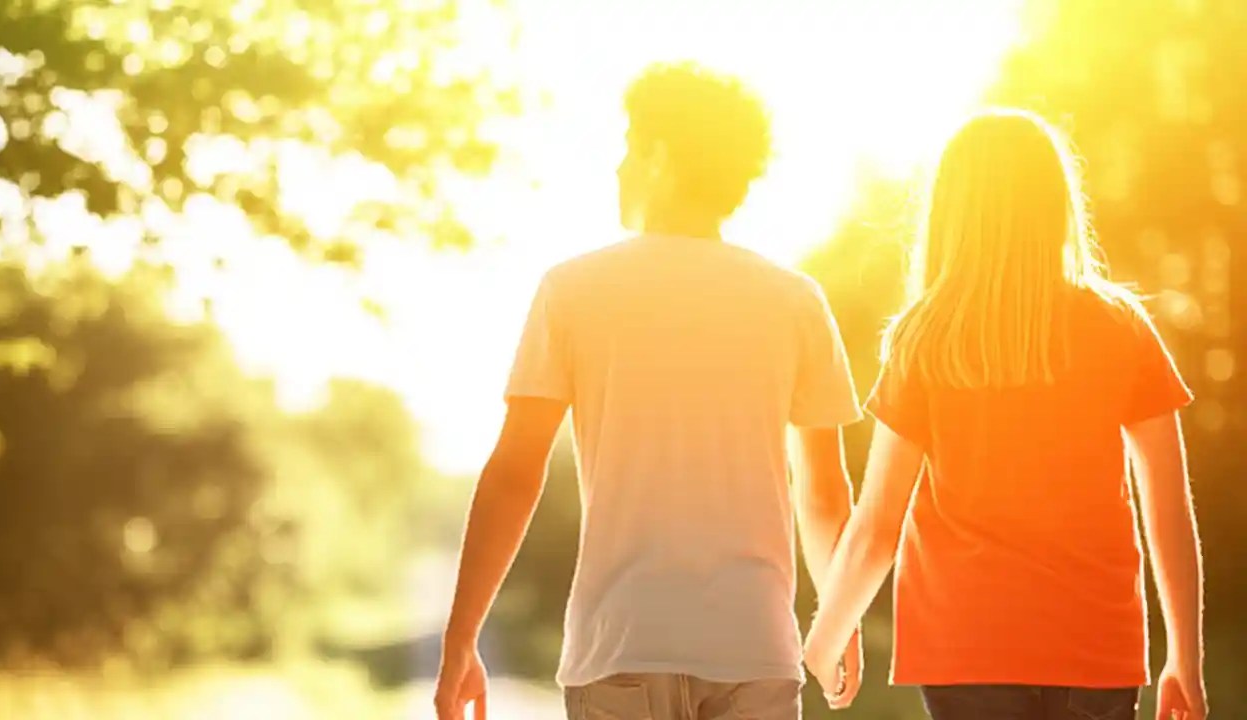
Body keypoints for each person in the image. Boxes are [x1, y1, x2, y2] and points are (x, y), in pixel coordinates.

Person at [434, 61, 865, 720]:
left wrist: (461, 637)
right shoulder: (794, 301)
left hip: (621, 651)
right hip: (753, 650)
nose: (618, 167)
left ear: (661, 156)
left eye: (630, 145)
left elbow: (516, 470)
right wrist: (840, 622)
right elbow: (825, 491)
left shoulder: (573, 290)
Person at [802, 109, 1208, 720]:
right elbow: (1169, 510)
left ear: (953, 212)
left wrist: (824, 639)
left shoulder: (927, 340)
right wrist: (1185, 657)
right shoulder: (1122, 328)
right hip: (1095, 648)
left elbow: (876, 524)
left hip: (965, 647)